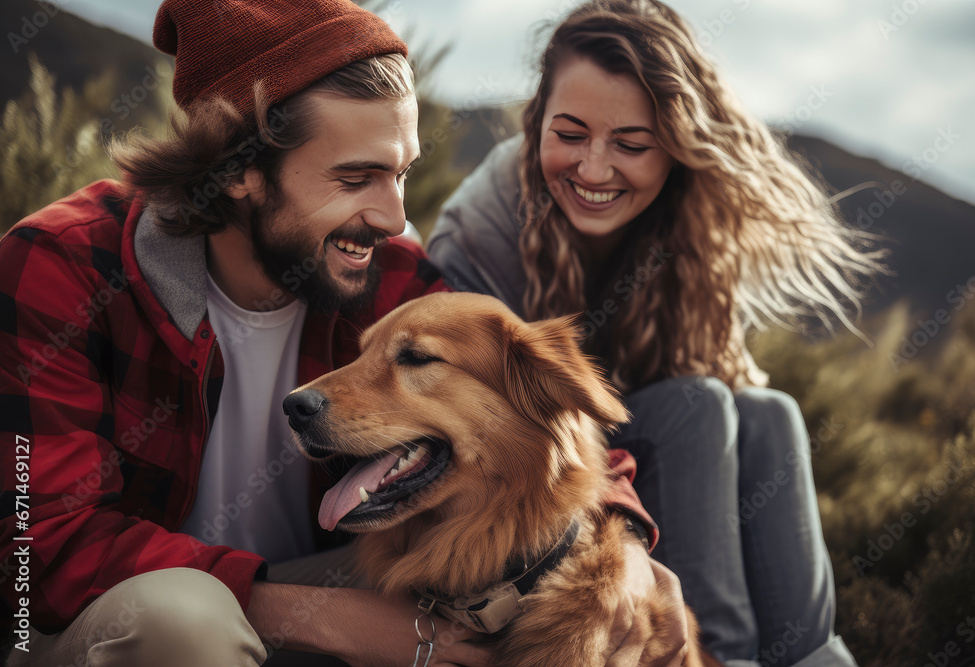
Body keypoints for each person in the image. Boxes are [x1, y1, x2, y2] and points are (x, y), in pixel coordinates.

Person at [0, 1, 691, 665]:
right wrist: (324, 618)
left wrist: (624, 545)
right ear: (238, 168)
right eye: (357, 177)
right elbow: (36, 552)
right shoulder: (59, 265)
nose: (394, 217)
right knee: (185, 622)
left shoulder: (381, 271)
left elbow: (537, 412)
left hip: (314, 584)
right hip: (108, 629)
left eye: (401, 174)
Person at [428, 1, 886, 665]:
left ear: (675, 147)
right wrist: (629, 533)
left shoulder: (687, 224)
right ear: (536, 123)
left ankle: (814, 657)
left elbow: (722, 388)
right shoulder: (481, 232)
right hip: (531, 494)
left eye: (632, 145)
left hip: (624, 461)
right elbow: (511, 440)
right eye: (571, 132)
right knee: (693, 405)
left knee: (768, 413)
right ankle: (718, 655)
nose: (593, 168)